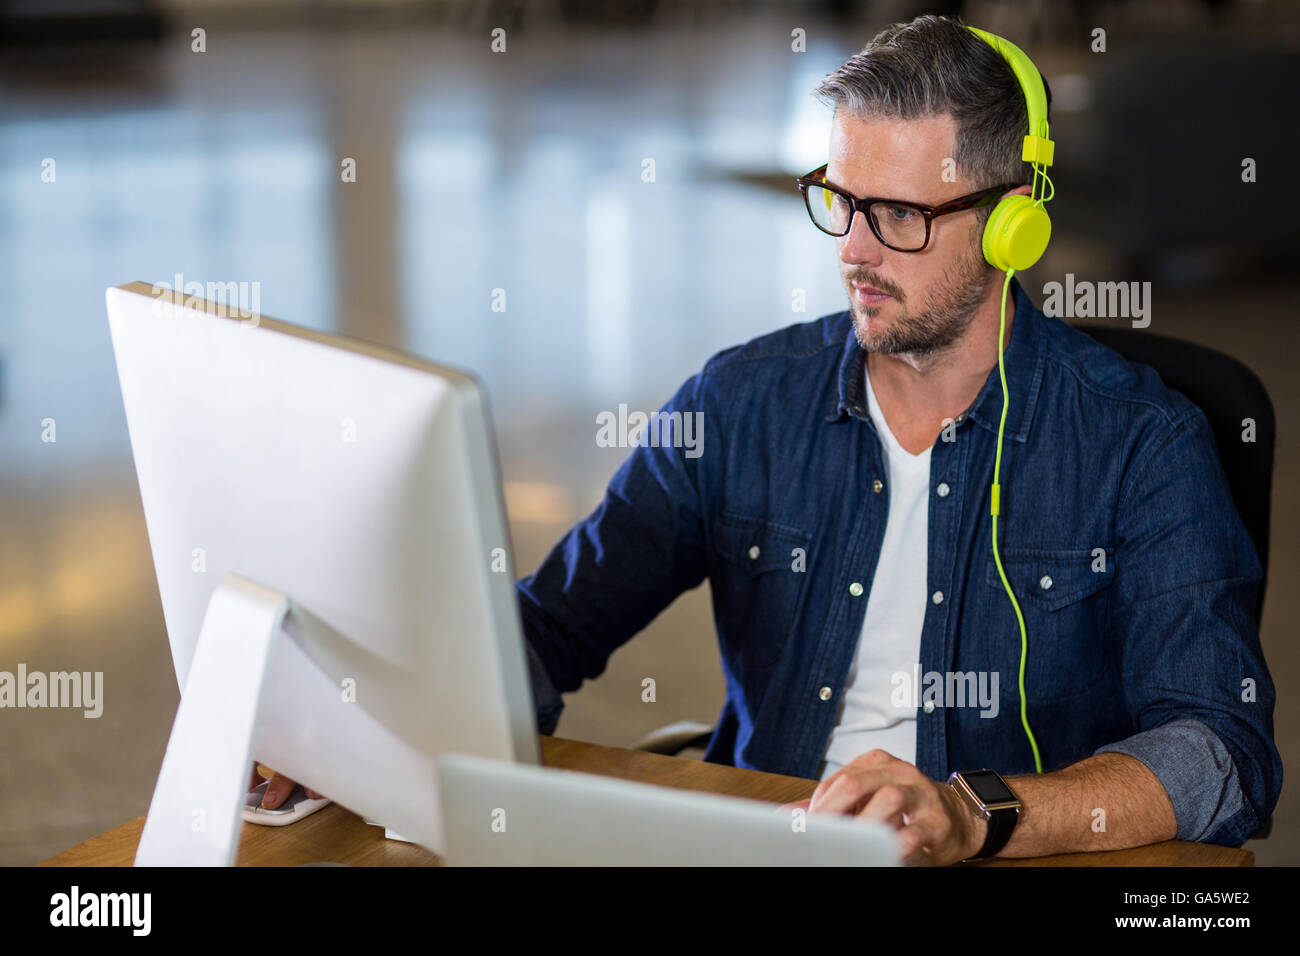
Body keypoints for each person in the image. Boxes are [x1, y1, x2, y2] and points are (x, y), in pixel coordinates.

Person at [260, 14, 1281, 865]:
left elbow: (1221, 751)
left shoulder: (1142, 441)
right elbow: (550, 626)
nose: (854, 250)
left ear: (1013, 219)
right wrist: (354, 725)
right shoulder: (742, 399)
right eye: (838, 200)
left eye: (897, 215)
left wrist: (975, 813)